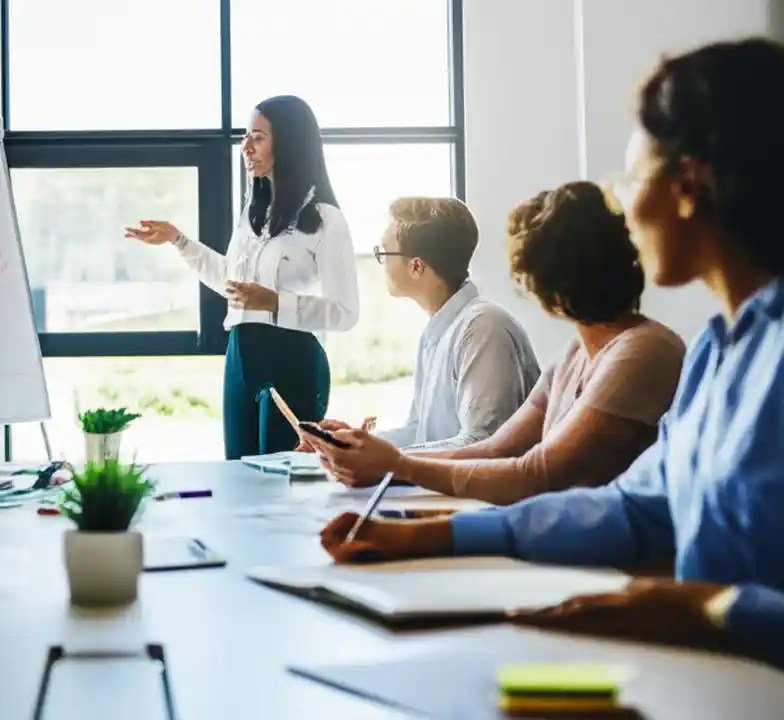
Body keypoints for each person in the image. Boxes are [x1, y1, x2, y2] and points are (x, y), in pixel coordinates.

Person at [318, 37, 784, 669]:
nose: (625, 211)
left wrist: (711, 609)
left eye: (631, 179)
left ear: (688, 184)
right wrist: (427, 535)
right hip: (713, 681)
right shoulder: (715, 352)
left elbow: (545, 475)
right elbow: (637, 509)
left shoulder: (683, 350)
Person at [309, 182, 685, 505]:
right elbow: (496, 449)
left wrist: (395, 465)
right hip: (554, 526)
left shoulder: (641, 350)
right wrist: (369, 453)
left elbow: (535, 472)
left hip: (600, 548)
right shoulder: (577, 350)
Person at [126, 95, 359, 460]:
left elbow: (346, 312)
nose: (246, 148)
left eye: (258, 137)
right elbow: (232, 285)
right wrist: (178, 240)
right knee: (238, 472)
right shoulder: (254, 214)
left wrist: (275, 302)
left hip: (292, 359)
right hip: (240, 357)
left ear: (290, 141)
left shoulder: (326, 219)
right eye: (245, 137)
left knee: (282, 480)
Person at [303, 197, 540, 452]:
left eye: (383, 252)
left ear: (417, 266)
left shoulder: (484, 329)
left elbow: (483, 443)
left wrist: (382, 458)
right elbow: (418, 432)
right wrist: (350, 442)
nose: (380, 262)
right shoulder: (437, 332)